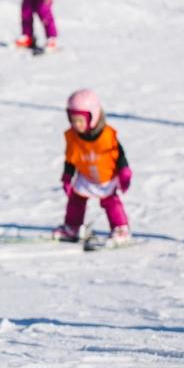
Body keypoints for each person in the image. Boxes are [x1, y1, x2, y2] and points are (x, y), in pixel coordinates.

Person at [54, 89, 132, 250]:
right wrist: (67, 177)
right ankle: (72, 227)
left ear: (93, 117)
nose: (76, 125)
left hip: (106, 176)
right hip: (87, 175)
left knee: (111, 202)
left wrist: (124, 172)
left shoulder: (107, 136)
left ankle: (120, 228)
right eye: (73, 120)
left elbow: (119, 155)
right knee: (76, 200)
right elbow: (70, 159)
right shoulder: (73, 137)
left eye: (81, 120)